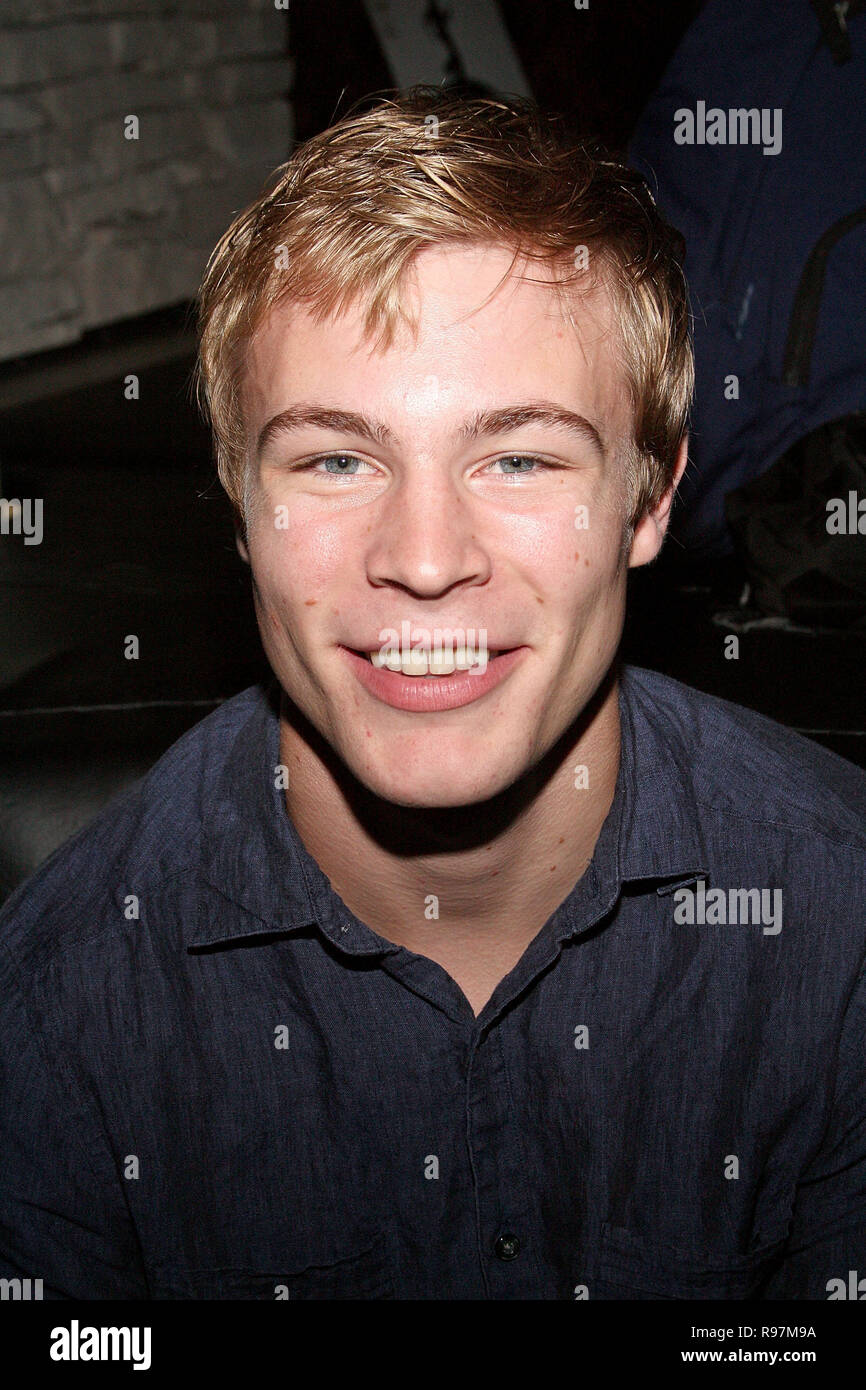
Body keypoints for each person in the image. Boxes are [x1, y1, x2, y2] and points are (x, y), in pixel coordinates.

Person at [0, 88, 864, 1301]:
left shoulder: (840, 930)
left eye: (516, 456)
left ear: (650, 500)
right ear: (241, 507)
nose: (421, 553)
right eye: (336, 459)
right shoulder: (55, 1008)